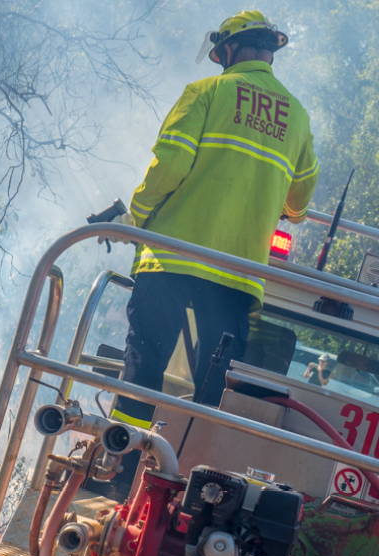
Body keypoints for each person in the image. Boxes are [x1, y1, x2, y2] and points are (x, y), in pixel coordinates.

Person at [108, 10, 319, 432]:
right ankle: (185, 476)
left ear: (228, 49)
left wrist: (136, 218)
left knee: (145, 362)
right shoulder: (297, 117)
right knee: (213, 384)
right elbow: (298, 205)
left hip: (172, 258)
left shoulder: (205, 92)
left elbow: (169, 167)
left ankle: (118, 461)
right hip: (238, 274)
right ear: (269, 51)